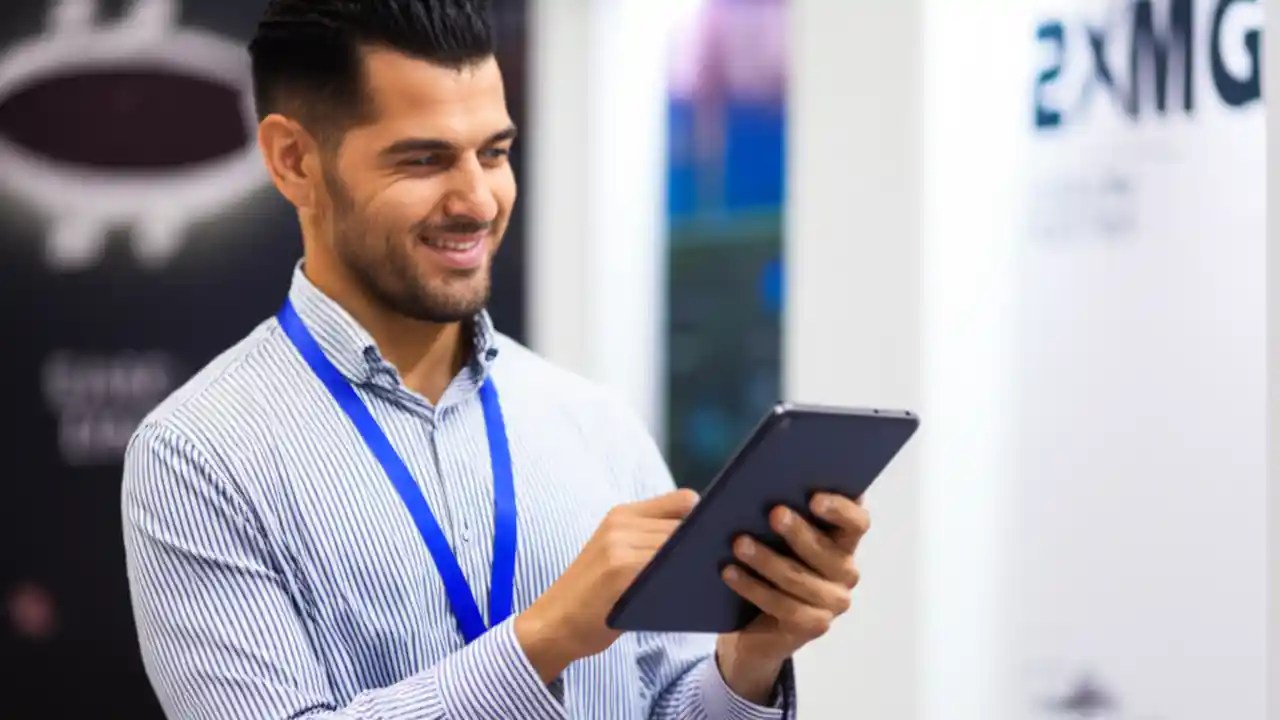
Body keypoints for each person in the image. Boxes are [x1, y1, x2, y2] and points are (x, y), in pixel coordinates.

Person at [120, 1, 871, 718]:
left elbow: (671, 706)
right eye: (424, 160)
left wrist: (751, 659)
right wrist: (541, 640)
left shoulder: (592, 423)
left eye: (496, 153)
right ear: (294, 162)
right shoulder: (198, 456)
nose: (478, 200)